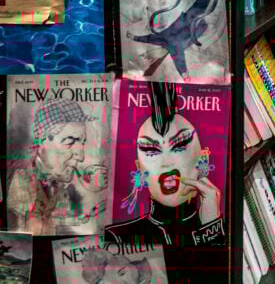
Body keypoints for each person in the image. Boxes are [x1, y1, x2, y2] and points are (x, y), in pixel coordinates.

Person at [102, 80, 224, 283]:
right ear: (140, 168)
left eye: (179, 146)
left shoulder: (219, 226)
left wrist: (211, 230)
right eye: (151, 151)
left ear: (203, 159)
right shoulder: (117, 238)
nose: (166, 163)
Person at [6, 98, 107, 234]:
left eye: (82, 142)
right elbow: (27, 231)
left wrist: (87, 191)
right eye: (70, 142)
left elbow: (61, 220)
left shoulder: (56, 183)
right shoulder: (20, 180)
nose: (81, 156)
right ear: (41, 141)